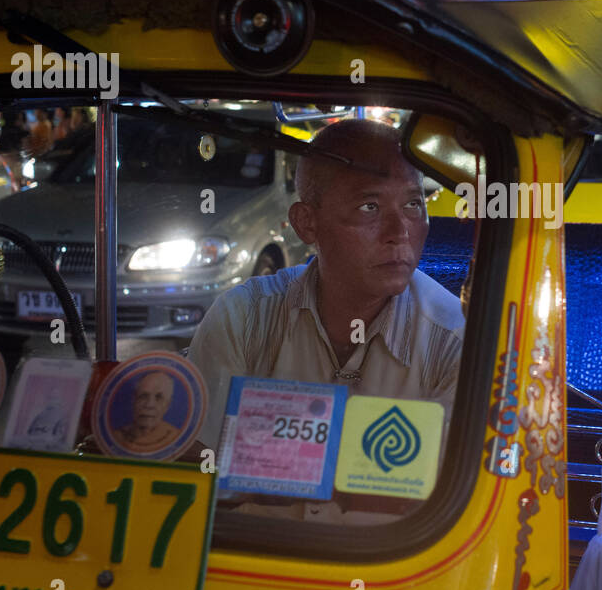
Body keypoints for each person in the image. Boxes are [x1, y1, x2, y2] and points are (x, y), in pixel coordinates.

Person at [187, 119, 464, 523]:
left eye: (413, 205)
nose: (399, 232)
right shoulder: (245, 319)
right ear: (306, 223)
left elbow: (450, 510)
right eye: (369, 207)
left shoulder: (454, 339)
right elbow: (199, 469)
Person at [114, 370, 182, 452]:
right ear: (134, 400)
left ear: (167, 405)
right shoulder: (115, 438)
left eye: (159, 397)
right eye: (143, 396)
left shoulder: (177, 440)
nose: (149, 405)